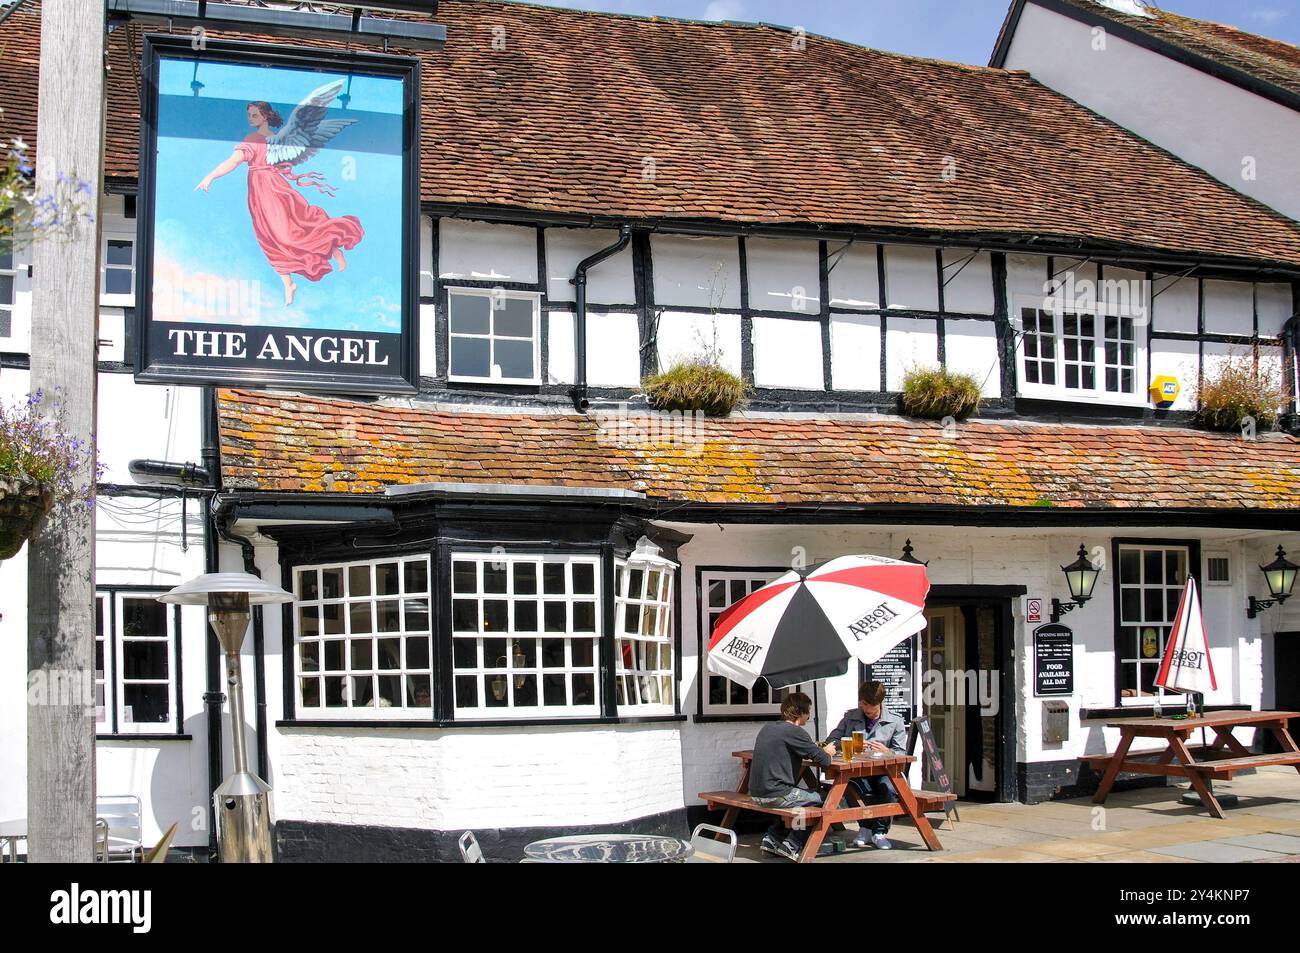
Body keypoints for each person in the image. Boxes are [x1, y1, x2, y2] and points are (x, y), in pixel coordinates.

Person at [824, 680, 908, 850]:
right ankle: (865, 828)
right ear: (861, 703)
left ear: (880, 703)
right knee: (849, 786)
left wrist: (887, 751)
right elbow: (831, 740)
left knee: (889, 789)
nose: (869, 714)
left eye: (874, 711)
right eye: (866, 710)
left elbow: (902, 753)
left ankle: (879, 832)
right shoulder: (850, 717)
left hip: (885, 772)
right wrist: (846, 744)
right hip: (857, 771)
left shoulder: (895, 721)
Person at [749, 691, 833, 861]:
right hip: (776, 794)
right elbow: (824, 760)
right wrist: (827, 751)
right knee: (824, 799)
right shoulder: (796, 732)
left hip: (756, 794)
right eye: (808, 711)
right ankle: (794, 843)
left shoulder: (769, 728)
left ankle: (773, 838)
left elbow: (796, 747)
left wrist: (811, 746)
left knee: (800, 798)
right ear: (801, 712)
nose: (809, 716)